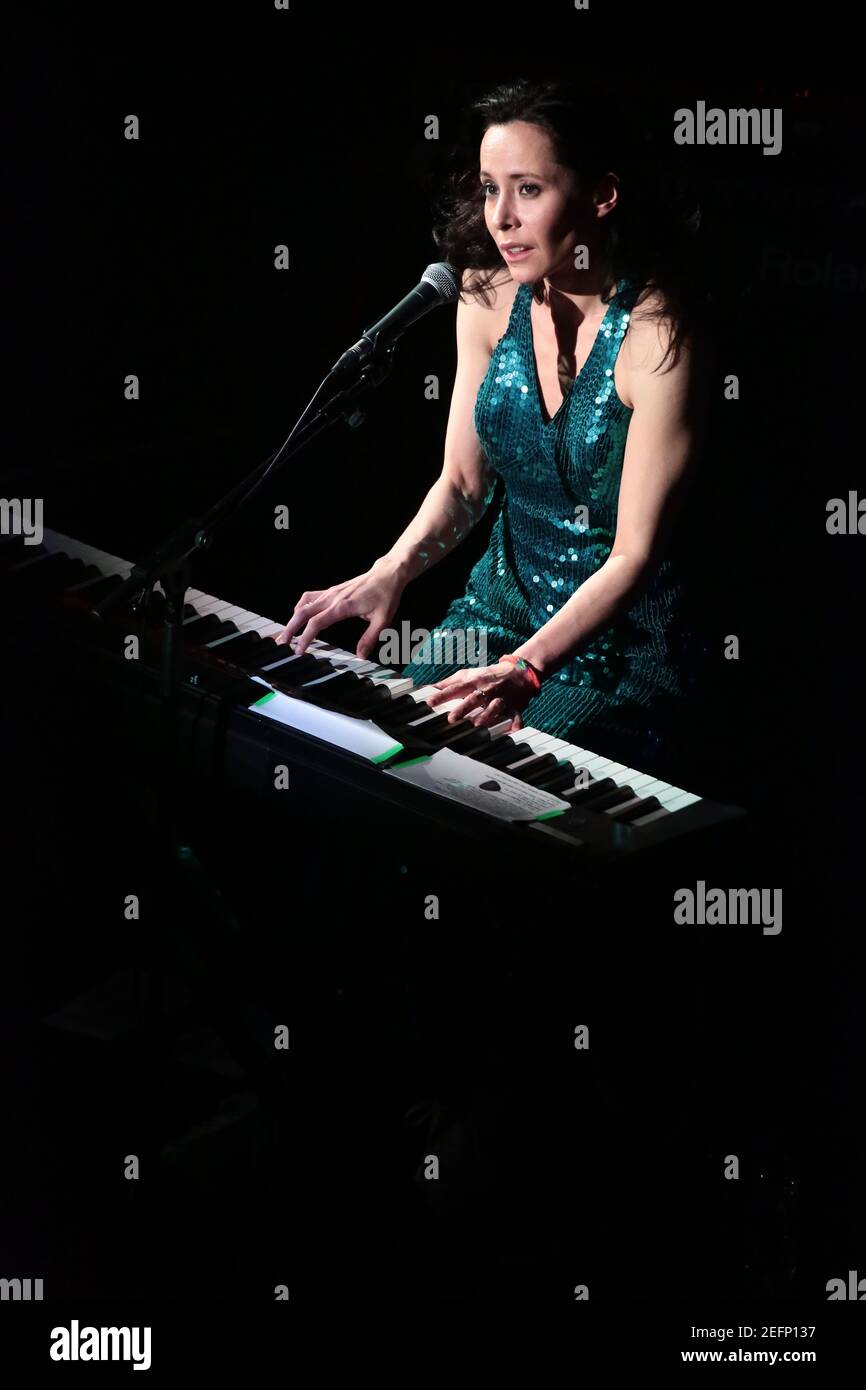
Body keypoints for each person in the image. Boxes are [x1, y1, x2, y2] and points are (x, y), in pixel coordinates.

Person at [277, 78, 708, 777]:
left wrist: (529, 669)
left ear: (601, 194)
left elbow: (632, 555)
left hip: (620, 651)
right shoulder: (483, 297)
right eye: (488, 188)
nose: (500, 217)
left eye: (528, 189)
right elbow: (463, 483)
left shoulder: (656, 335)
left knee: (488, 785)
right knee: (373, 753)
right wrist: (392, 570)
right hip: (497, 610)